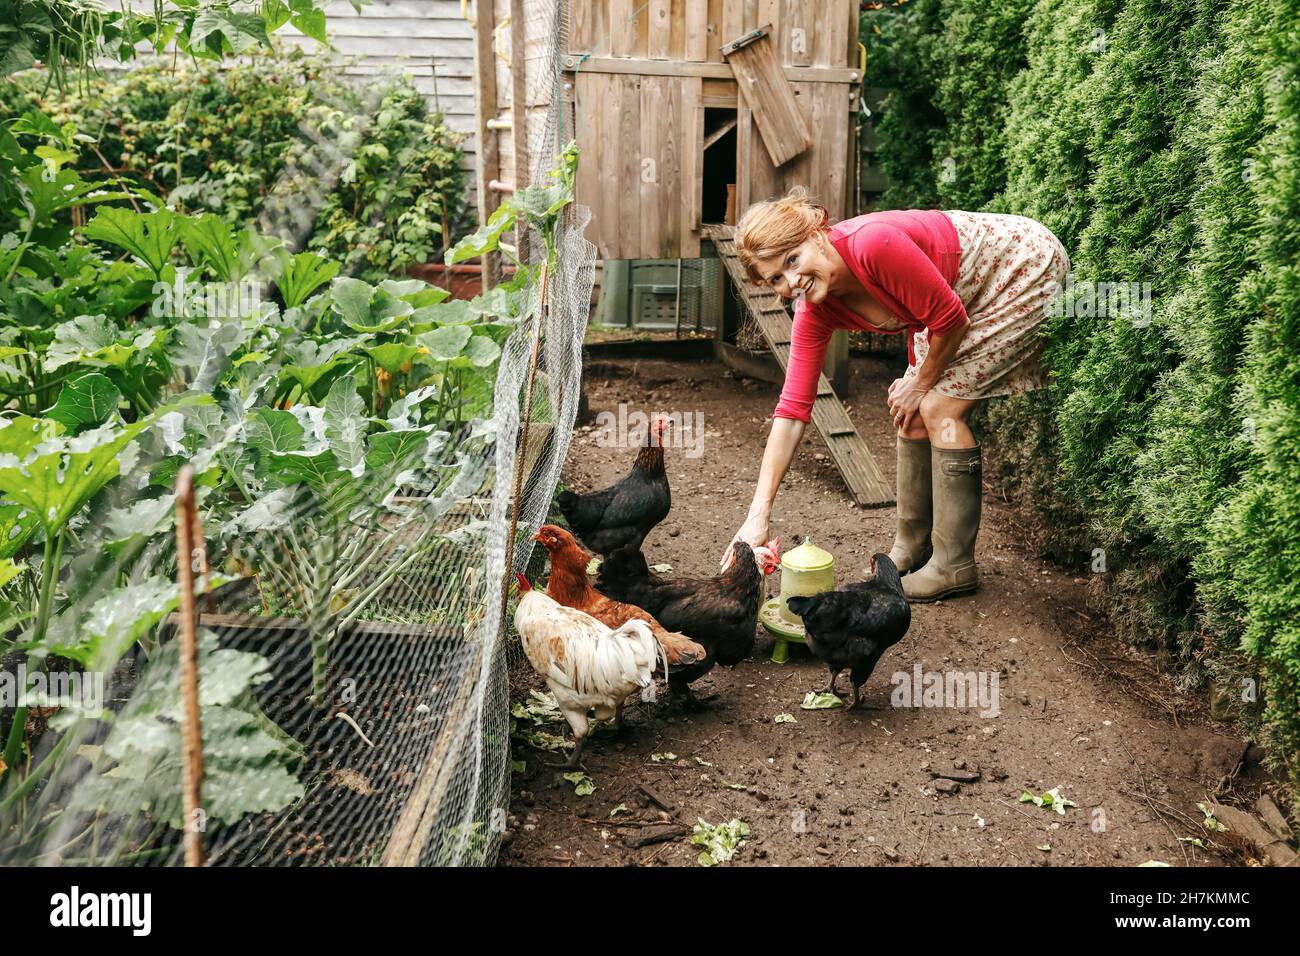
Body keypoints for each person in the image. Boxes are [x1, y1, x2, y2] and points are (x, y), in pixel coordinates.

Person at [719, 187, 1069, 601]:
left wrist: (920, 382)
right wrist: (758, 517)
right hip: (958, 296)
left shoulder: (872, 245)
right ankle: (912, 545)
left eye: (792, 260)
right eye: (776, 278)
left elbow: (950, 320)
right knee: (913, 414)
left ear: (816, 234)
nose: (792, 281)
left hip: (1021, 266)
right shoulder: (814, 310)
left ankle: (954, 566)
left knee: (938, 408)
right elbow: (793, 409)